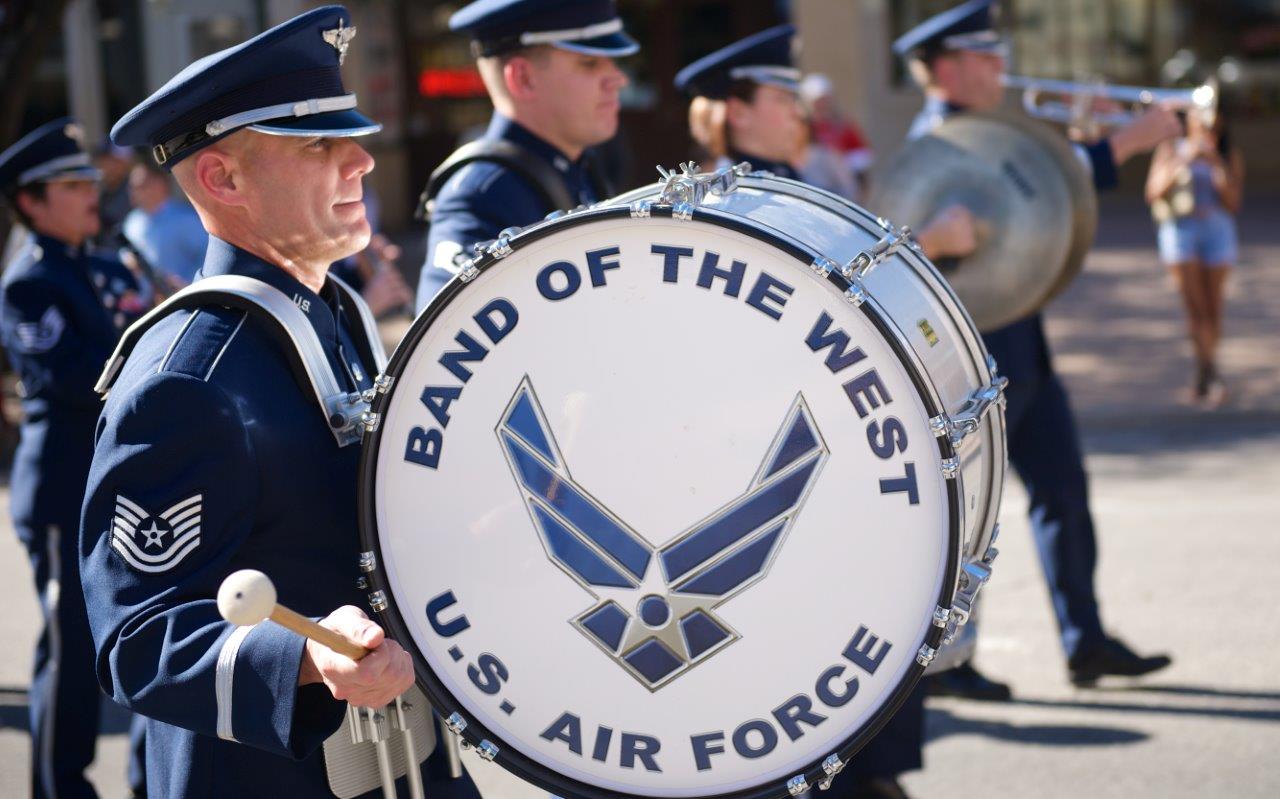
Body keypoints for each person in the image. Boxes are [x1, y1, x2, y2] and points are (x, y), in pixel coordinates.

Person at [80, 7, 480, 798]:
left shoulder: (333, 313)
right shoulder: (183, 379)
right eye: (319, 146)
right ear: (222, 179)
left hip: (400, 758)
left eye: (352, 136)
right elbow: (136, 635)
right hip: (268, 777)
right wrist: (304, 654)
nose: (361, 161)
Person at [895, 0, 1177, 701]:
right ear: (948, 68)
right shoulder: (942, 140)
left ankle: (1086, 639)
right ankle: (949, 663)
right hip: (968, 360)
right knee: (969, 521)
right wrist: (1124, 143)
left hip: (1023, 345)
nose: (1003, 69)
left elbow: (1036, 179)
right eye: (986, 58)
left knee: (1063, 493)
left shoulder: (983, 127)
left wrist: (1085, 135)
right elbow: (1025, 199)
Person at [0, 117, 149, 799]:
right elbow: (73, 374)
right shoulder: (29, 281)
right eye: (71, 183)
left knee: (136, 637)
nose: (91, 191)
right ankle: (61, 788)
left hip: (119, 484)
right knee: (70, 650)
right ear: (30, 201)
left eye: (90, 178)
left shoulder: (107, 259)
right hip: (64, 488)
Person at [415, 0, 638, 311]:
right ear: (523, 78)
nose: (618, 79)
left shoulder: (579, 166)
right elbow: (447, 341)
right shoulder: (480, 195)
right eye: (589, 63)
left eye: (612, 63)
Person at [1145, 106, 1243, 407]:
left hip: (1217, 230)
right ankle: (1209, 372)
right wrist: (1184, 159)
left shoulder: (1227, 153)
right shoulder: (1171, 149)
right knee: (1194, 307)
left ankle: (1206, 371)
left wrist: (1214, 160)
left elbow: (1232, 201)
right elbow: (1153, 192)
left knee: (1213, 308)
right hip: (1182, 231)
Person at [675, 25, 805, 180]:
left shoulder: (788, 175)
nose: (798, 113)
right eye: (782, 99)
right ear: (738, 113)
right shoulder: (725, 198)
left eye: (794, 99)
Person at [122, 160, 209, 289]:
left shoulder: (184, 218)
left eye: (142, 185)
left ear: (160, 184)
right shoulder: (131, 222)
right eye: (132, 186)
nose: (134, 191)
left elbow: (207, 255)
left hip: (186, 296)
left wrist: (188, 282)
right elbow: (126, 256)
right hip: (146, 303)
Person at [799, 73, 873, 199]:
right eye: (817, 101)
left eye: (824, 99)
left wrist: (862, 188)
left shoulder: (843, 126)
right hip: (810, 188)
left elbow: (860, 162)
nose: (822, 104)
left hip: (843, 189)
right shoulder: (802, 127)